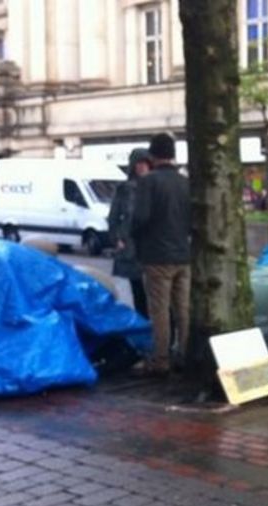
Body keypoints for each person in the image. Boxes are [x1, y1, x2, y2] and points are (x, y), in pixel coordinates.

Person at [132, 133, 191, 380]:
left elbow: (140, 219)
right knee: (183, 309)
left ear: (153, 155)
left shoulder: (148, 182)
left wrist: (136, 238)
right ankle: (186, 354)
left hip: (157, 256)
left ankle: (161, 359)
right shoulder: (185, 182)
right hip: (183, 255)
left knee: (159, 311)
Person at [109, 148, 151, 318]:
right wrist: (117, 238)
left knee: (157, 291)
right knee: (137, 288)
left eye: (145, 164)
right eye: (138, 164)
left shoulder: (155, 186)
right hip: (131, 245)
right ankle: (143, 322)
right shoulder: (124, 189)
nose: (141, 168)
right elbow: (114, 216)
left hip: (152, 245)